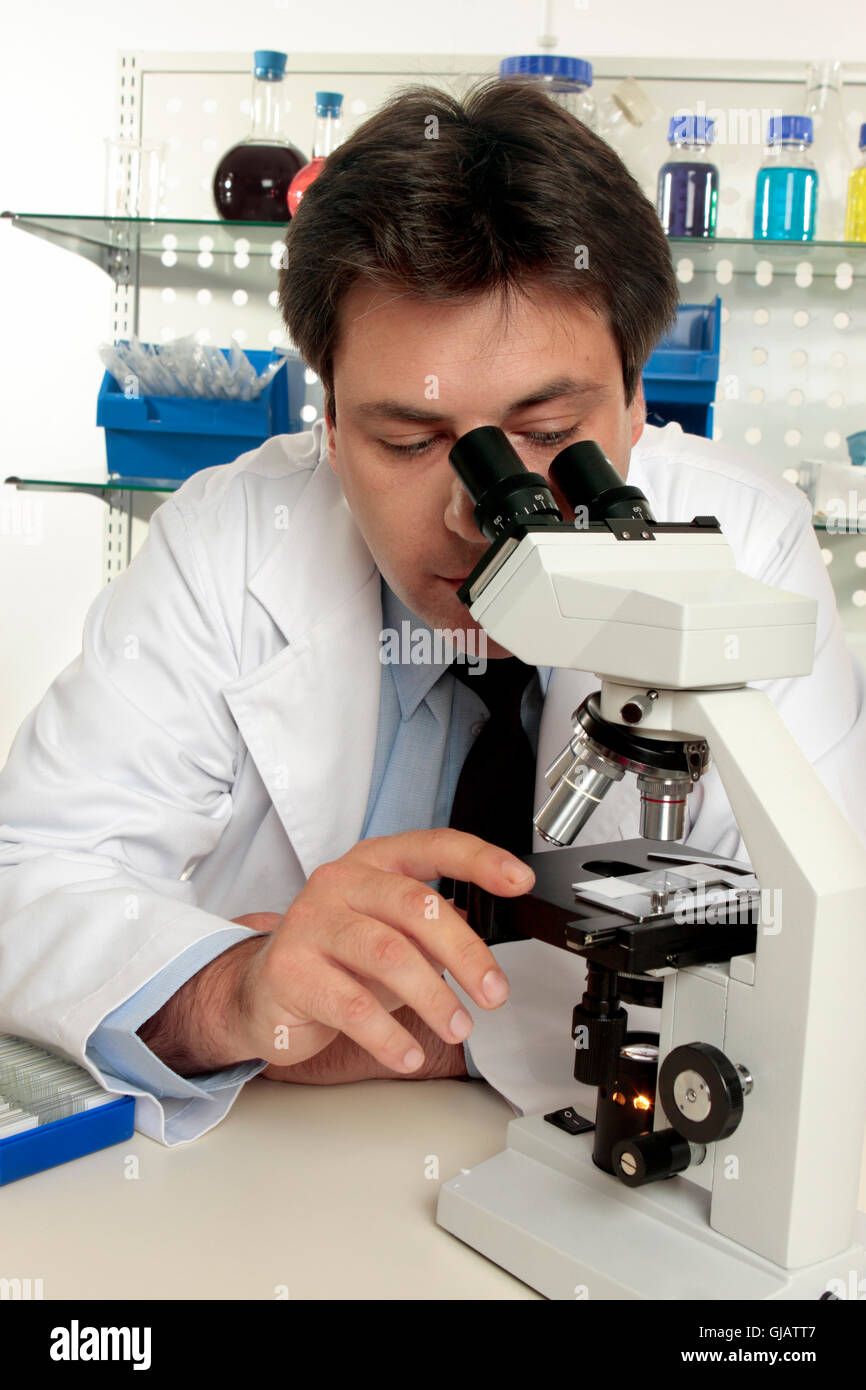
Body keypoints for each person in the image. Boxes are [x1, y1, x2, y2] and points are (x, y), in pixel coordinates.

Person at [0, 80, 863, 1147]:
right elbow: (29, 875)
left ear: (638, 404)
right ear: (325, 418)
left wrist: (442, 1027)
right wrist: (233, 989)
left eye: (546, 430)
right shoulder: (230, 537)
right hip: (278, 1176)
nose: (475, 514)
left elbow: (812, 946)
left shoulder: (744, 541)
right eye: (407, 441)